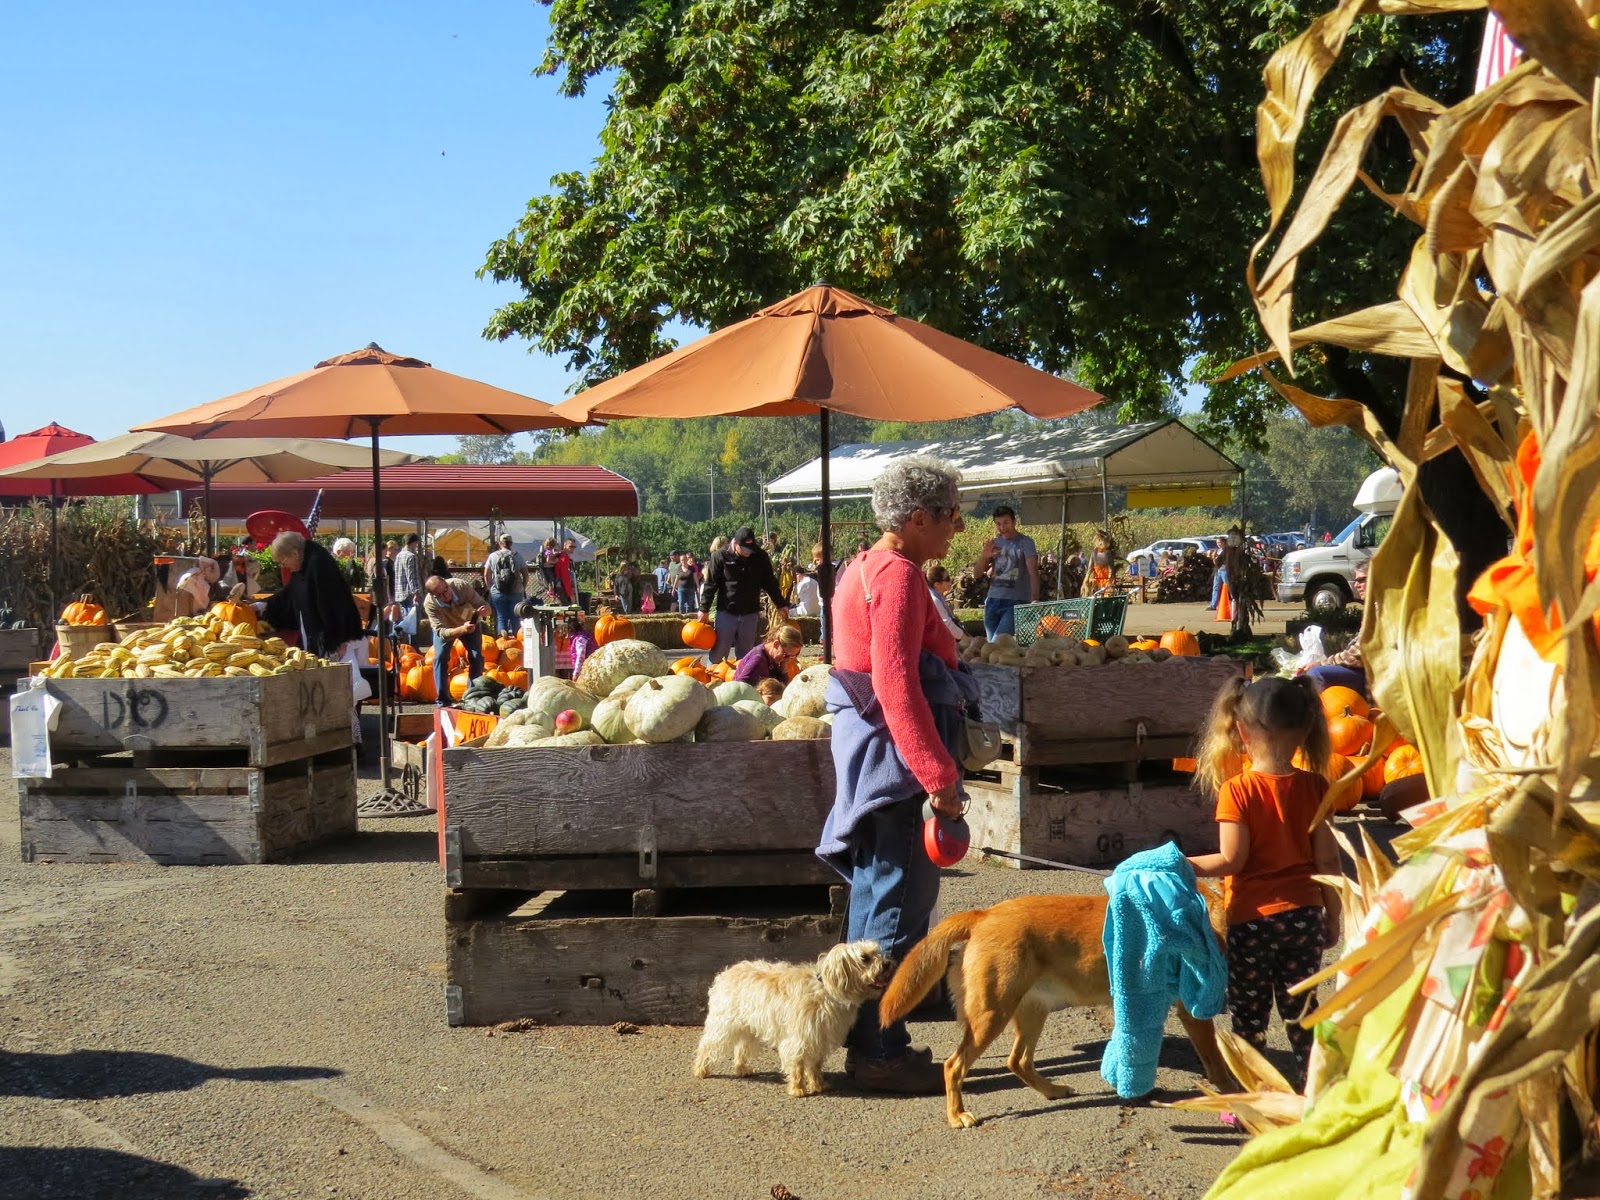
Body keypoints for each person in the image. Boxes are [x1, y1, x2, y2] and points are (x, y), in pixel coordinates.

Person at [814, 455, 973, 1094]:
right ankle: (880, 1048)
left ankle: (865, 1031)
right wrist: (936, 774)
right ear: (917, 518)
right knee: (897, 904)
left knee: (877, 894)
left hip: (878, 751)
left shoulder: (862, 567)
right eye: (951, 515)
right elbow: (896, 683)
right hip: (896, 761)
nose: (958, 528)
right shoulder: (899, 575)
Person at [1185, 675, 1343, 1078]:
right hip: (1304, 917)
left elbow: (1231, 860)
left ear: (1239, 730)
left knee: (1249, 1017)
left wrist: (1181, 864)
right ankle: (1315, 1088)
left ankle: (1251, 1094)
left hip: (1252, 921)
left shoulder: (1237, 790)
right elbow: (1328, 863)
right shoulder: (1317, 785)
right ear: (1306, 730)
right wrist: (1333, 915)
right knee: (1303, 1011)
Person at [698, 527, 790, 663]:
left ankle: (743, 681)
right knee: (719, 651)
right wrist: (703, 609)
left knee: (746, 655)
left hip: (750, 613)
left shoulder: (760, 556)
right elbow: (711, 585)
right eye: (745, 549)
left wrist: (781, 604)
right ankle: (711, 679)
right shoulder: (720, 556)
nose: (748, 552)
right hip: (726, 611)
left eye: (751, 548)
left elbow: (769, 583)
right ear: (735, 544)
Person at [423, 574, 491, 706]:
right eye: (440, 595)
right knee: (440, 657)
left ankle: (472, 697)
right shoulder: (430, 604)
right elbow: (441, 632)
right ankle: (443, 700)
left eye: (446, 590)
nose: (445, 595)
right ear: (433, 596)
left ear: (447, 584)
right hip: (447, 629)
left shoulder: (461, 586)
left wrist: (485, 611)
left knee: (476, 657)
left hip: (469, 623)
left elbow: (483, 605)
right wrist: (461, 630)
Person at [1306, 561, 1370, 700]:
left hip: (1373, 677)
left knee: (1317, 674)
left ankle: (1317, 718)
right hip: (1365, 670)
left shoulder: (1380, 610)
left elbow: (1359, 655)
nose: (1356, 585)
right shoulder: (1373, 608)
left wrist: (1323, 663)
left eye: (1361, 580)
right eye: (1355, 580)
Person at [975, 506, 1038, 640]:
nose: (1002, 527)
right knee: (991, 649)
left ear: (1014, 522)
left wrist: (1034, 599)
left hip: (1016, 602)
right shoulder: (994, 543)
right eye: (998, 524)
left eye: (1006, 522)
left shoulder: (1026, 543)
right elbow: (977, 574)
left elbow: (1033, 572)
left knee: (997, 643)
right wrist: (984, 556)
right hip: (992, 600)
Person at [482, 534, 526, 637]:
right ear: (511, 543)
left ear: (500, 543)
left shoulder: (493, 556)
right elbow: (525, 574)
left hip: (497, 592)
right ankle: (517, 641)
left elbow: (486, 573)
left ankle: (502, 641)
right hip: (515, 591)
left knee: (501, 617)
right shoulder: (517, 555)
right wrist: (523, 586)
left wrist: (490, 587)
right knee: (515, 617)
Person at [733, 624, 803, 686]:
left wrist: (783, 670)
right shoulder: (758, 660)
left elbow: (780, 688)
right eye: (786, 655)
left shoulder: (771, 658)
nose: (787, 660)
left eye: (794, 656)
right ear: (776, 644)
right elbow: (740, 686)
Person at [925, 564, 965, 641]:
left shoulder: (938, 596)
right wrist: (966, 639)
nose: (950, 581)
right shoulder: (935, 600)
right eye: (947, 579)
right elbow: (948, 625)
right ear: (937, 584)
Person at [563, 612, 596, 678]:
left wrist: (576, 673)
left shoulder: (580, 639)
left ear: (570, 630)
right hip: (587, 666)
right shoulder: (583, 636)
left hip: (587, 668)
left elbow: (581, 656)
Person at [553, 539, 577, 606]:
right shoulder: (563, 558)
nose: (572, 549)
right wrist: (570, 594)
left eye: (574, 547)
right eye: (570, 546)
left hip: (560, 585)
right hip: (561, 586)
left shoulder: (563, 556)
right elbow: (565, 577)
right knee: (565, 607)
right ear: (565, 545)